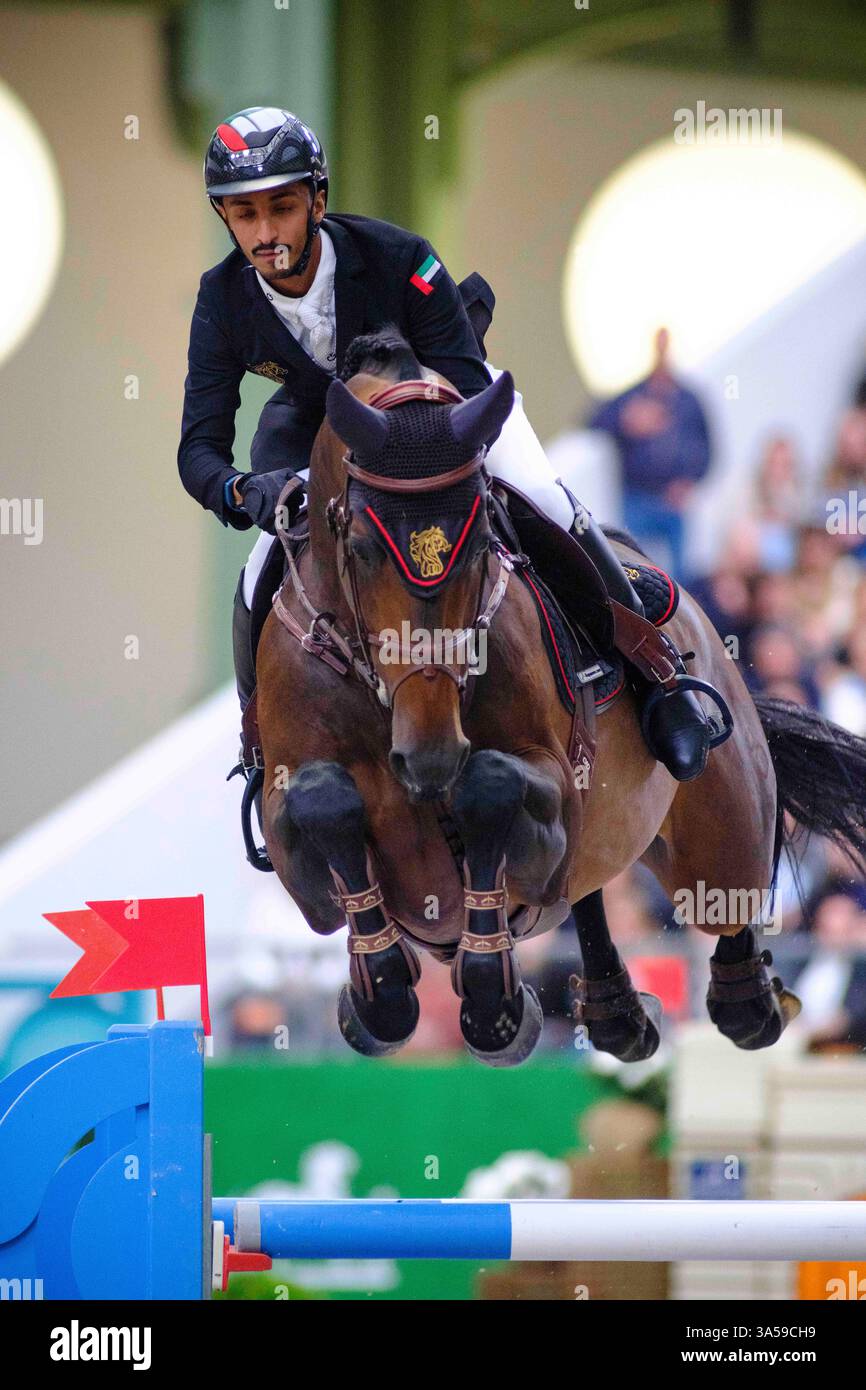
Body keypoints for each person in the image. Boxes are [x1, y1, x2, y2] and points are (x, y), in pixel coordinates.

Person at [178, 107, 719, 783]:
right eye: (243, 214)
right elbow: (197, 450)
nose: (265, 234)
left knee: (546, 499)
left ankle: (660, 680)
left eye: (281, 208)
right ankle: (260, 751)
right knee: (257, 569)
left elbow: (461, 375)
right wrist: (241, 489)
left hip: (442, 398)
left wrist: (418, 446)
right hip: (324, 427)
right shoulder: (221, 298)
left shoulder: (399, 256)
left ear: (318, 199)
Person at [588, 328, 711, 578]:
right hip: (636, 497)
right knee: (633, 567)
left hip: (673, 501)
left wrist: (690, 482)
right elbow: (594, 420)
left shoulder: (689, 400)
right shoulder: (632, 396)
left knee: (680, 574)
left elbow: (708, 448)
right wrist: (628, 420)